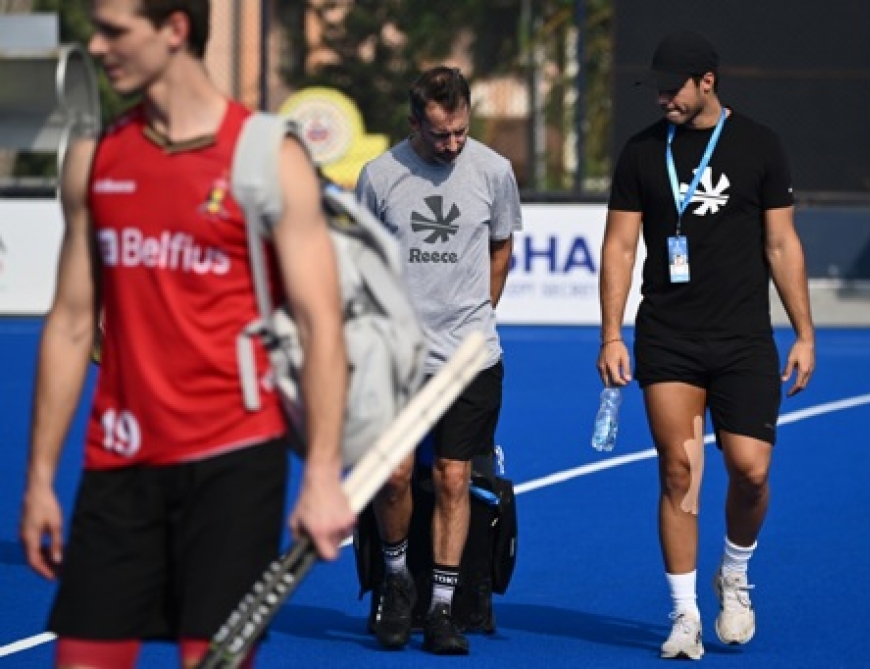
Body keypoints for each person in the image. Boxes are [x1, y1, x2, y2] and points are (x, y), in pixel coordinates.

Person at [17, 2, 355, 667]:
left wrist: (320, 472)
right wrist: (38, 478)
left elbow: (321, 323)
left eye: (115, 29)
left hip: (233, 466)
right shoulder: (93, 157)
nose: (97, 44)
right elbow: (70, 322)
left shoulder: (270, 156)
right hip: (120, 464)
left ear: (175, 29)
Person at [596, 30, 815, 660]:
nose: (662, 98)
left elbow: (781, 245)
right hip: (669, 339)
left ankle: (736, 574)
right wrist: (612, 333)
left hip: (745, 339)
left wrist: (803, 332)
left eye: (672, 89)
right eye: (657, 89)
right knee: (679, 473)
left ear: (707, 82)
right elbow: (618, 246)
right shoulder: (641, 153)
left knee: (750, 472)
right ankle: (684, 613)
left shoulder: (759, 146)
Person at [355, 65, 521, 655]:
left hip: (471, 358)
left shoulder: (494, 172)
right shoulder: (379, 176)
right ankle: (397, 582)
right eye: (438, 135)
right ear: (413, 124)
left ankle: (444, 607)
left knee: (453, 478)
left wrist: (481, 314)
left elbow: (501, 246)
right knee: (395, 475)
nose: (451, 146)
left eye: (460, 133)